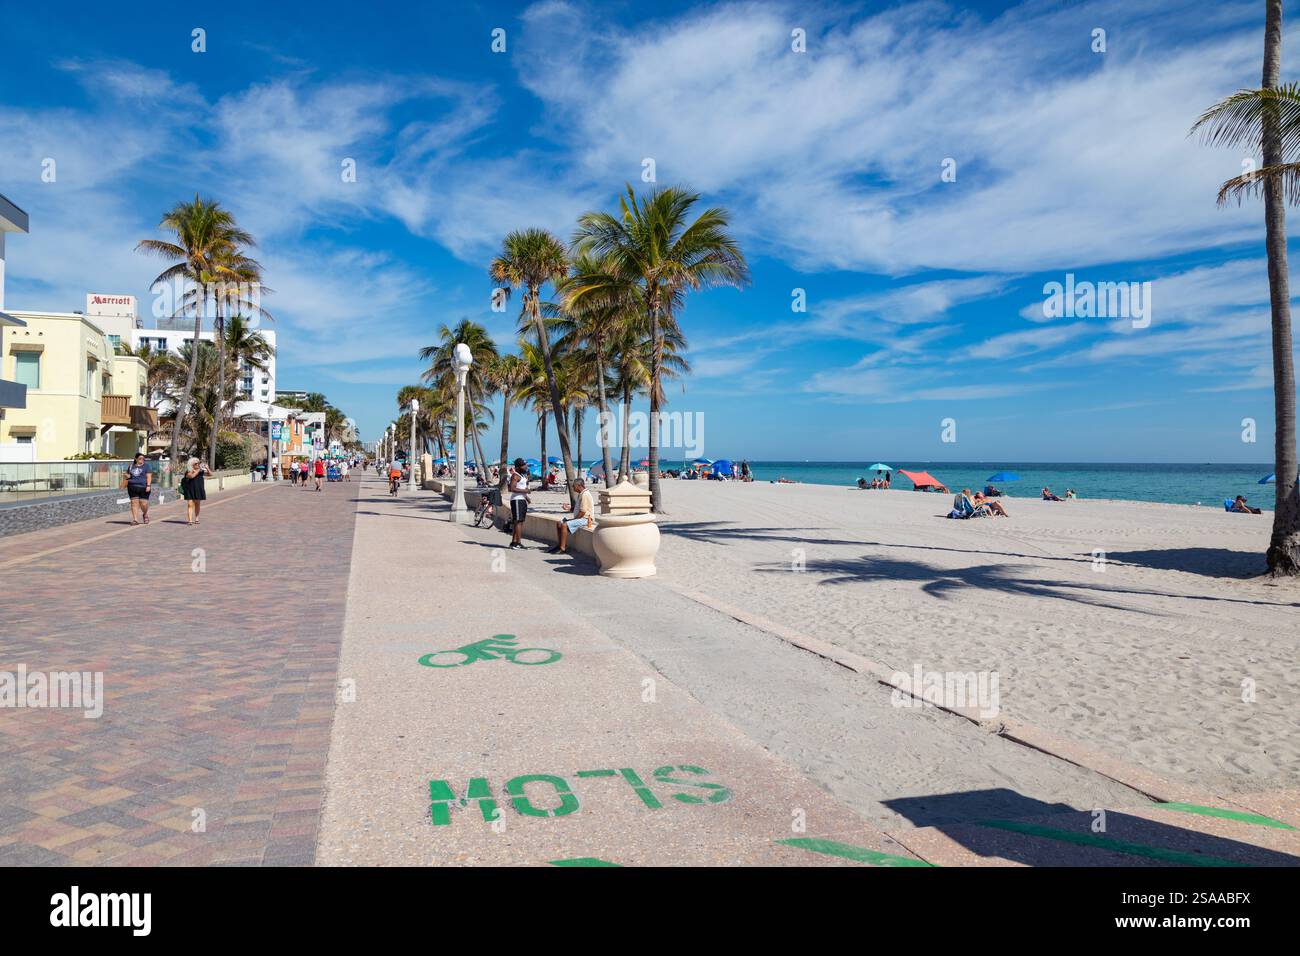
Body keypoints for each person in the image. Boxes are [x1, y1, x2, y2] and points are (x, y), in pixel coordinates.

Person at [549, 477, 595, 554]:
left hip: (586, 519)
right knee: (559, 523)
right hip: (581, 518)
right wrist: (569, 508)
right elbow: (579, 509)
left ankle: (563, 548)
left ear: (579, 485)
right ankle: (559, 545)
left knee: (564, 525)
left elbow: (583, 512)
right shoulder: (582, 494)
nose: (573, 487)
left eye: (574, 486)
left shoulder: (585, 495)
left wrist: (573, 520)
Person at [122, 453, 152, 525]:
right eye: (140, 458)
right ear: (136, 459)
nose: (142, 460)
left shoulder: (146, 466)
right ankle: (135, 520)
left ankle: (145, 514)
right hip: (132, 486)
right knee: (134, 503)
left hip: (144, 487)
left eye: (143, 459)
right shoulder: (131, 466)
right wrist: (126, 475)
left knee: (143, 503)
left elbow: (149, 476)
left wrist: (148, 485)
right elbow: (128, 476)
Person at [509, 458, 530, 550]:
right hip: (516, 500)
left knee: (519, 521)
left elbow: (520, 487)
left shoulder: (522, 475)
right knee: (518, 522)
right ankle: (518, 543)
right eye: (523, 465)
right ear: (518, 467)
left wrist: (526, 497)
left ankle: (514, 542)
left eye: (525, 464)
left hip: (521, 500)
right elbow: (512, 489)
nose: (525, 466)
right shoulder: (515, 475)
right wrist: (526, 491)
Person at [181, 457, 209, 525]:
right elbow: (192, 476)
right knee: (190, 504)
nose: (198, 464)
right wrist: (198, 471)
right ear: (191, 464)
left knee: (197, 504)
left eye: (198, 463)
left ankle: (196, 518)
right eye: (196, 463)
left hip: (198, 489)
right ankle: (190, 520)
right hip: (190, 490)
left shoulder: (201, 471)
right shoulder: (188, 471)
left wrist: (207, 468)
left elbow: (210, 474)